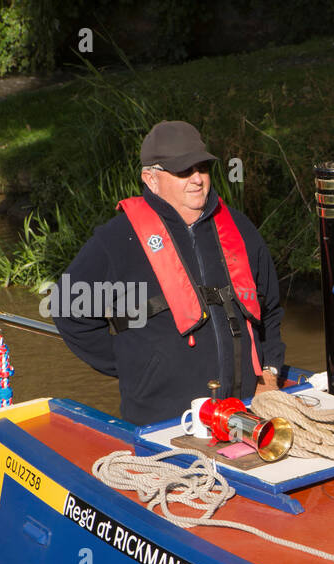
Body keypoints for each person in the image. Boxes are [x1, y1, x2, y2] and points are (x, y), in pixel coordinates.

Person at [51, 120, 285, 425]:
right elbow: (67, 310)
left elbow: (270, 312)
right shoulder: (118, 238)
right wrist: (134, 364)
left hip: (244, 413)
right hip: (163, 422)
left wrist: (270, 371)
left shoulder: (240, 229)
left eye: (201, 168)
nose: (197, 179)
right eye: (183, 171)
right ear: (151, 178)